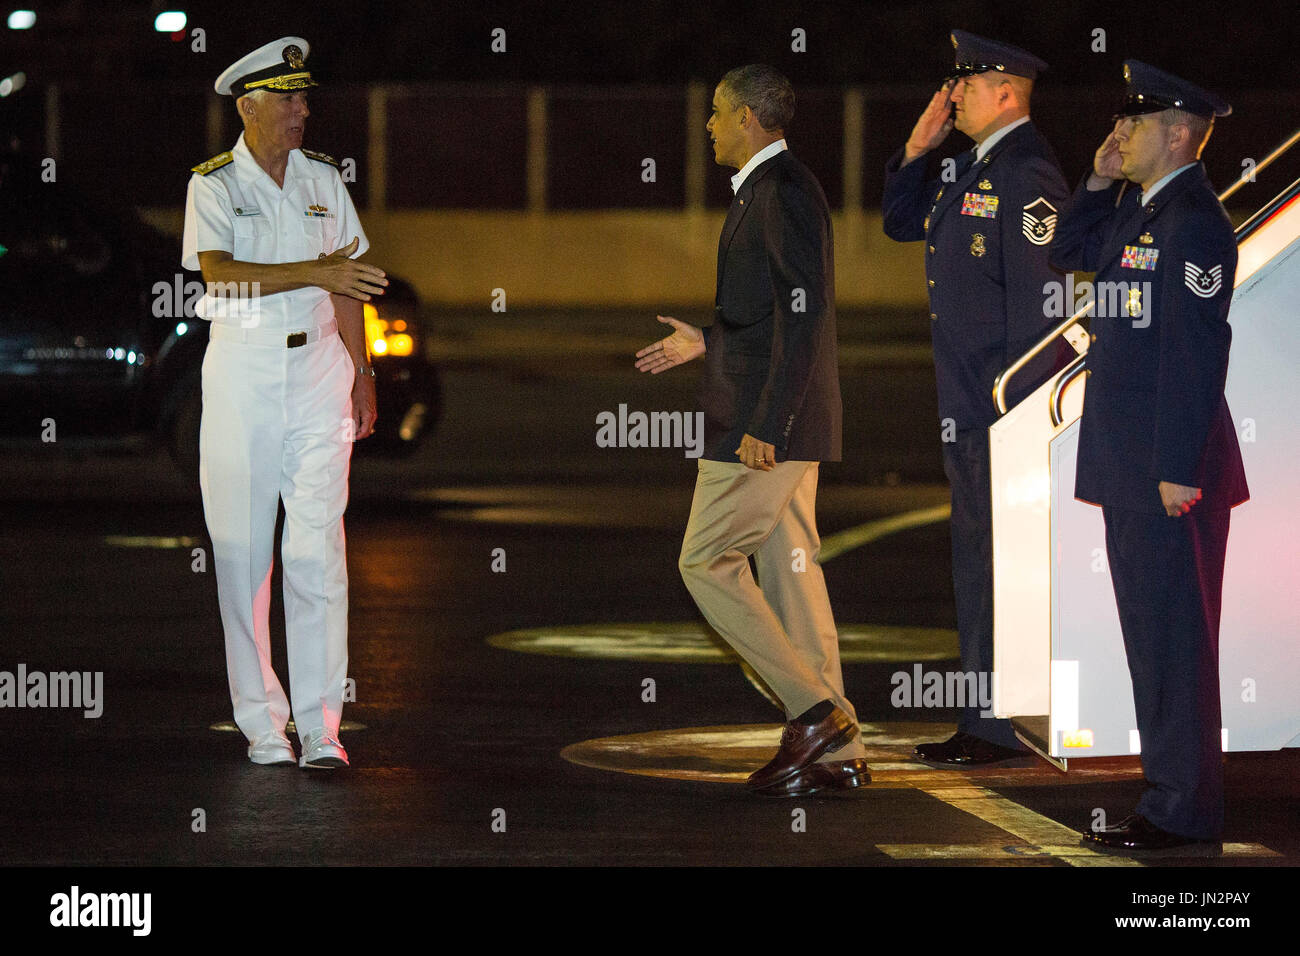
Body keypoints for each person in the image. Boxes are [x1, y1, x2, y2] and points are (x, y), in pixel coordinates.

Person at [635, 64, 870, 797]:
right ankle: (839, 752)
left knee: (704, 563)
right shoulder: (775, 191)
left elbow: (806, 317)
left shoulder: (781, 192)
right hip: (787, 422)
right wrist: (709, 340)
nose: (707, 125)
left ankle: (814, 713)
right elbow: (773, 312)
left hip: (766, 428)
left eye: (715, 113)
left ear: (747, 119)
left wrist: (767, 423)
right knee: (794, 584)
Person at [1050, 60, 1248, 854]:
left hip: (1168, 473)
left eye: (1132, 124)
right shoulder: (1142, 209)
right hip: (1133, 466)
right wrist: (1096, 183)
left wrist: (1177, 468)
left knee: (1175, 644)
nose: (1116, 134)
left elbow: (1197, 350)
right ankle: (1171, 797)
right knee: (1154, 639)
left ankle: (1182, 808)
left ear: (1176, 133)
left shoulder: (1193, 221)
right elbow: (1068, 248)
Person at [182, 37, 389, 769]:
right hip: (242, 374)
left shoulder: (324, 179)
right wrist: (316, 267)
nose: (304, 110)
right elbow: (221, 278)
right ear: (249, 106)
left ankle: (322, 727)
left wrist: (363, 373)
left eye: (304, 98)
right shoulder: (213, 184)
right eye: (289, 99)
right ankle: (263, 723)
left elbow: (348, 284)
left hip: (319, 375)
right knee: (243, 556)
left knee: (318, 551)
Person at [882, 30, 1069, 767]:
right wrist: (917, 149)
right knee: (976, 563)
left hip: (1000, 412)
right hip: (967, 405)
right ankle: (984, 718)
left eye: (966, 82)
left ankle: (995, 724)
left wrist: (1019, 417)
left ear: (1007, 92)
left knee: (996, 565)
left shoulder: (1029, 173)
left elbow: (1041, 309)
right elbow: (901, 222)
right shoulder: (966, 163)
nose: (951, 93)